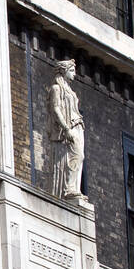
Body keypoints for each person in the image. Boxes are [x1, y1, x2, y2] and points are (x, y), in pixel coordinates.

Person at [48, 59, 86, 201]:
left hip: (78, 125)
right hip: (69, 127)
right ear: (63, 72)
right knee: (77, 155)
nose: (74, 74)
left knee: (79, 157)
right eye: (71, 71)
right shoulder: (56, 88)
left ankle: (74, 188)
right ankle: (68, 189)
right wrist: (65, 128)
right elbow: (55, 109)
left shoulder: (69, 90)